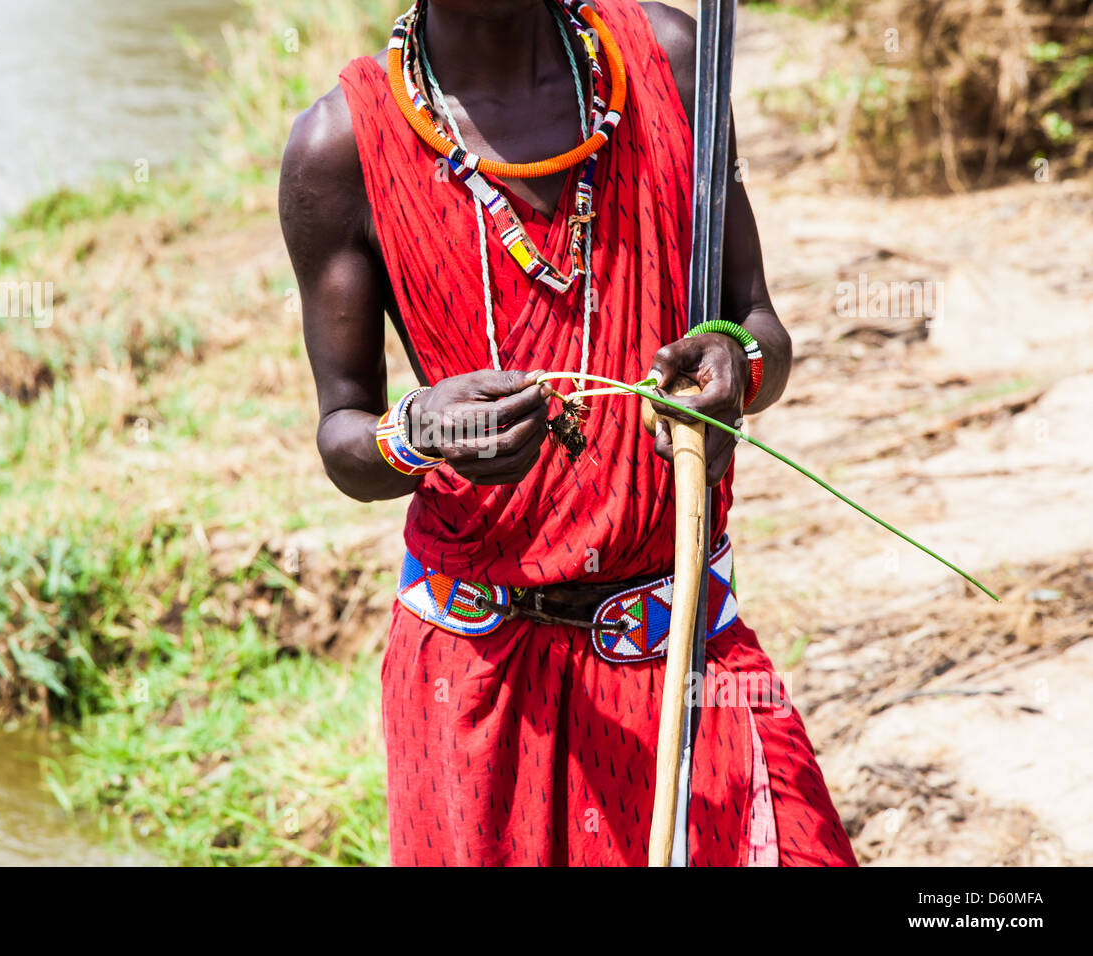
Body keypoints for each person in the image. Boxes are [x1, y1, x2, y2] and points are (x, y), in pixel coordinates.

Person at [279, 0, 857, 866]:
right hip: (471, 681)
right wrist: (421, 432)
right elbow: (342, 438)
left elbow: (758, 327)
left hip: (679, 644)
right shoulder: (341, 147)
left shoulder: (671, 61)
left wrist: (737, 368)